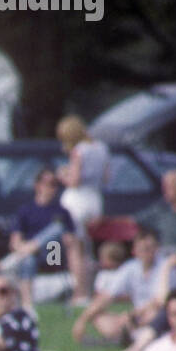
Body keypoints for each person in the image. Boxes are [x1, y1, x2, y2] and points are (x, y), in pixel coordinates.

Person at [71, 226, 165, 345]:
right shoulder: (131, 268)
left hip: (154, 313)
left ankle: (131, 336)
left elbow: (160, 300)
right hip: (135, 317)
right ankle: (132, 335)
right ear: (134, 250)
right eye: (142, 249)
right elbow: (107, 296)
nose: (145, 253)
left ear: (157, 248)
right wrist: (82, 320)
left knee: (154, 314)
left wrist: (134, 314)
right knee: (98, 317)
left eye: (149, 248)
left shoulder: (164, 266)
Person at [1, 168, 77, 310]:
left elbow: (70, 240)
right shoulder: (25, 210)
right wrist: (24, 249)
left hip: (53, 253)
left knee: (57, 228)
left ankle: (30, 249)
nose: (51, 188)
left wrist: (30, 247)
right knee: (28, 259)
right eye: (47, 183)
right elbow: (15, 241)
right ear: (37, 185)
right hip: (31, 256)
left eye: (54, 184)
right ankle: (27, 303)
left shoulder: (62, 211)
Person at [55, 115, 110, 301]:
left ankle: (80, 293)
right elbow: (106, 178)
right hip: (95, 199)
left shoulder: (78, 151)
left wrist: (63, 175)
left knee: (74, 249)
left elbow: (75, 181)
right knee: (87, 249)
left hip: (77, 201)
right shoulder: (102, 148)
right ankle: (88, 290)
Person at [136, 170, 176, 253]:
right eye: (164, 186)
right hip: (162, 257)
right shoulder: (160, 209)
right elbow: (134, 220)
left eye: (169, 186)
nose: (165, 190)